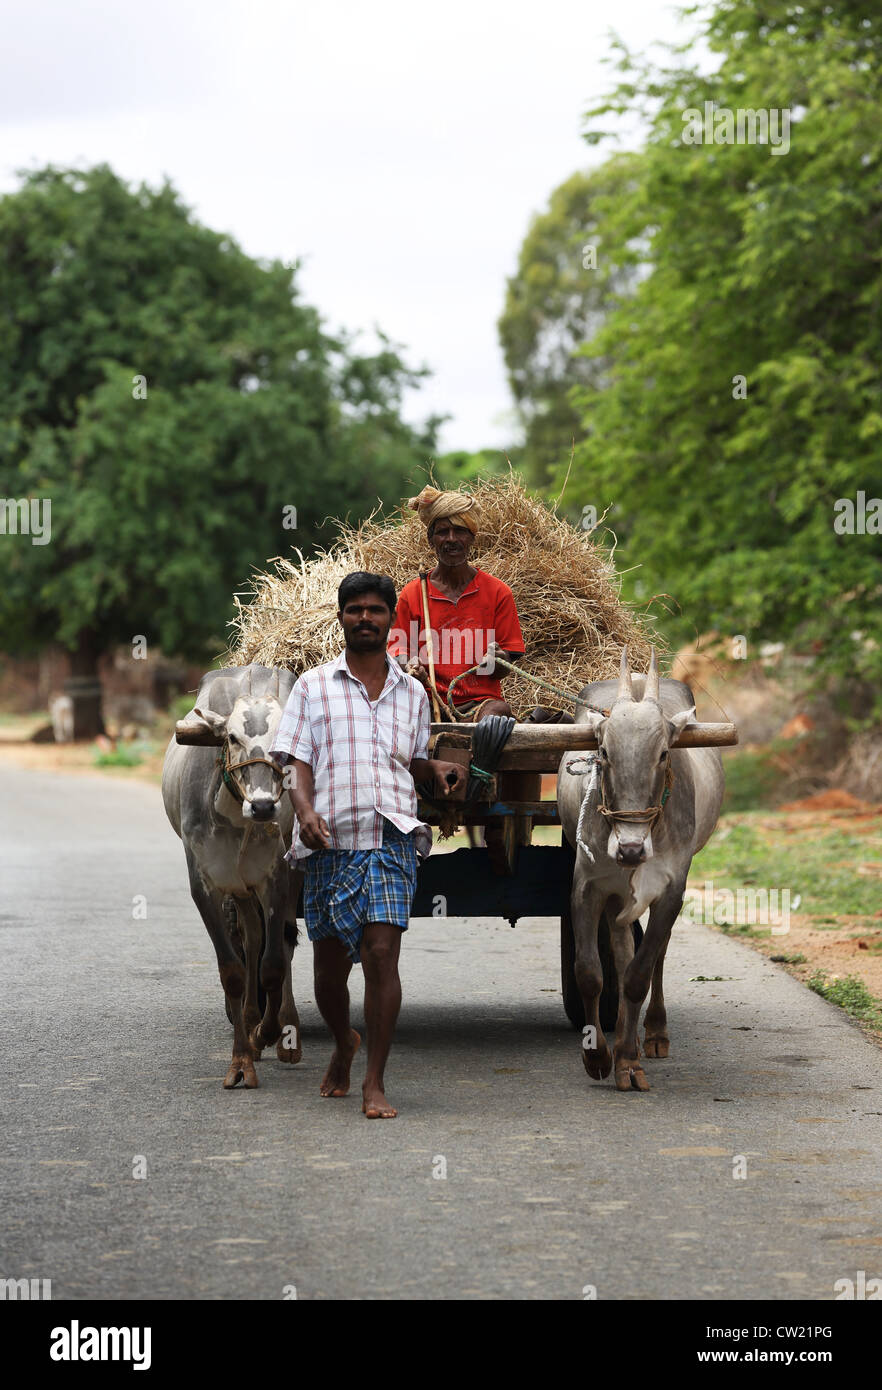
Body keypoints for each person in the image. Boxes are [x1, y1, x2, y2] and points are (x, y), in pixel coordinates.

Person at [270, 571, 465, 1119]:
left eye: (375, 610)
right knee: (330, 975)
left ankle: (374, 1082)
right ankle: (343, 1040)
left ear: (390, 621)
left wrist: (436, 768)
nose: (365, 618)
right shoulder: (312, 686)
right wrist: (305, 812)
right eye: (354, 610)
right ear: (341, 619)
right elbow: (295, 761)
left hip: (390, 839)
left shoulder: (413, 693)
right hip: (329, 841)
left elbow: (406, 760)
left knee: (382, 955)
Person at [389, 485, 525, 720]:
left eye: (460, 531)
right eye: (443, 532)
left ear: (472, 537)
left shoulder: (497, 592)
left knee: (498, 714)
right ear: (431, 539)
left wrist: (498, 660)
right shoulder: (413, 593)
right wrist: (407, 664)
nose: (451, 539)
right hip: (425, 702)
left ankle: (479, 759)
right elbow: (397, 650)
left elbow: (505, 665)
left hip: (480, 704)